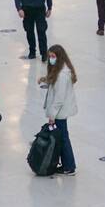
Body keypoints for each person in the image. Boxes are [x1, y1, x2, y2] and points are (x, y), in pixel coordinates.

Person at [39, 44, 78, 175]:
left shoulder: (62, 75)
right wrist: (46, 80)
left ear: (59, 57)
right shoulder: (61, 71)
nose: (50, 59)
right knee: (62, 137)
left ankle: (69, 166)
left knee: (63, 138)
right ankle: (68, 164)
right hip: (60, 112)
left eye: (53, 56)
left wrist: (52, 115)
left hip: (59, 112)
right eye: (49, 56)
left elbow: (59, 98)